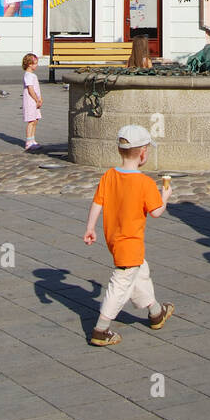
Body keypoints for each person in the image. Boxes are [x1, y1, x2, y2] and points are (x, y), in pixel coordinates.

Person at [83, 124, 173, 347]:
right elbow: (156, 213)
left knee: (139, 273)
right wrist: (166, 196)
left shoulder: (109, 175)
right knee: (121, 283)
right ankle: (101, 329)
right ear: (143, 153)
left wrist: (90, 228)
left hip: (113, 239)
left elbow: (97, 203)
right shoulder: (145, 183)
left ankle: (156, 313)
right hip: (130, 242)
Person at [22, 53, 42, 150]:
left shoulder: (32, 75)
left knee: (35, 120)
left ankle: (33, 139)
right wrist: (36, 99)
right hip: (30, 101)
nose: (36, 65)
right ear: (30, 64)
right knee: (31, 120)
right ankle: (29, 141)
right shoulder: (28, 75)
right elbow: (30, 89)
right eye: (35, 63)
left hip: (35, 101)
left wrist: (40, 98)